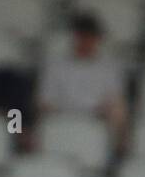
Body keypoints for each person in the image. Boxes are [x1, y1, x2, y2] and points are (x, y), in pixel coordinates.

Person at [38, 11, 127, 151]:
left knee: (115, 114)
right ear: (75, 37)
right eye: (82, 36)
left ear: (97, 39)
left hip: (96, 123)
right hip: (61, 121)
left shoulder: (109, 68)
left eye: (90, 37)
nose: (86, 41)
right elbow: (45, 102)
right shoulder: (56, 65)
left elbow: (115, 103)